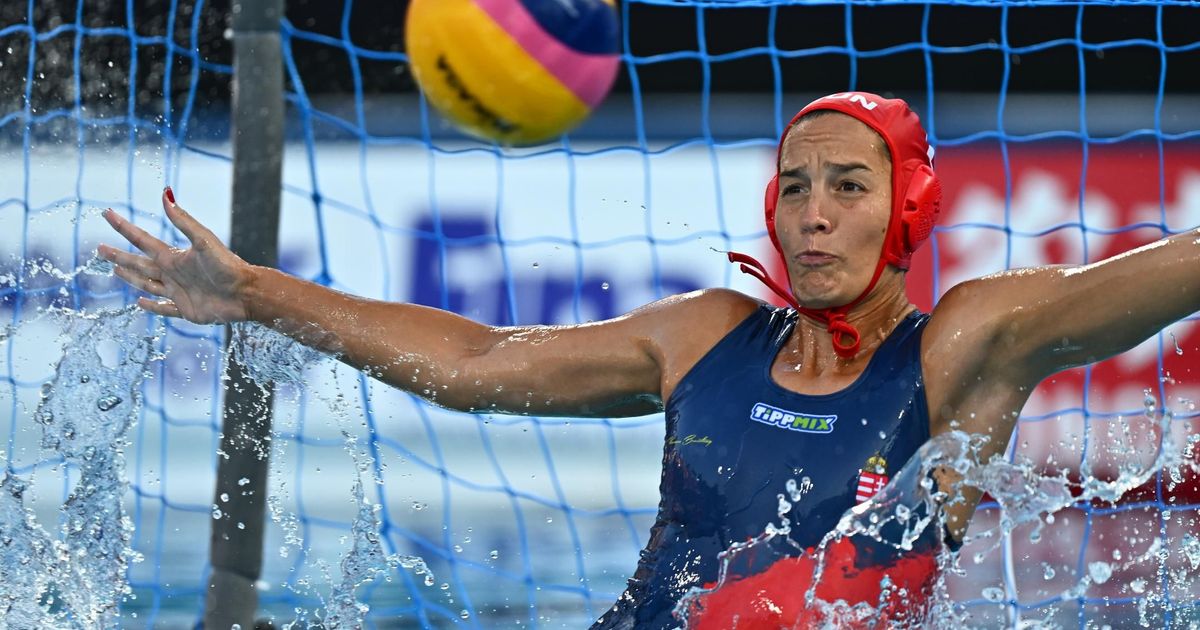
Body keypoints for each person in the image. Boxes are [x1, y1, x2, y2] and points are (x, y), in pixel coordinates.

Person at [98, 92, 1200, 627]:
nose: (814, 214)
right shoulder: (706, 337)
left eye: (849, 187)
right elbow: (478, 359)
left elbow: (1145, 281)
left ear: (908, 207)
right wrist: (255, 293)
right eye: (795, 187)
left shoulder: (961, 350)